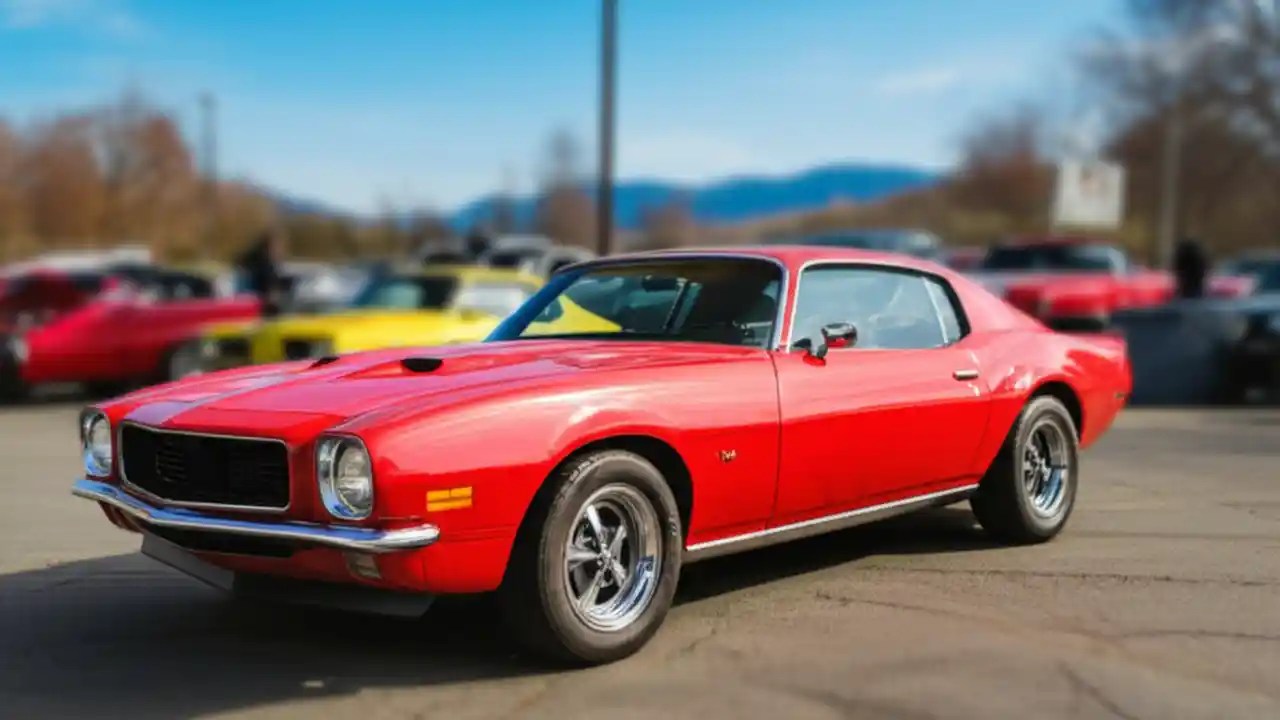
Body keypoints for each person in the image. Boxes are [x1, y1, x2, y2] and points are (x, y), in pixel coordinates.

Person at [237, 228, 288, 317]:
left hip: (260, 299)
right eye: (277, 246)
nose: (279, 249)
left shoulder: (265, 262)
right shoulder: (264, 263)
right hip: (261, 301)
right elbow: (268, 282)